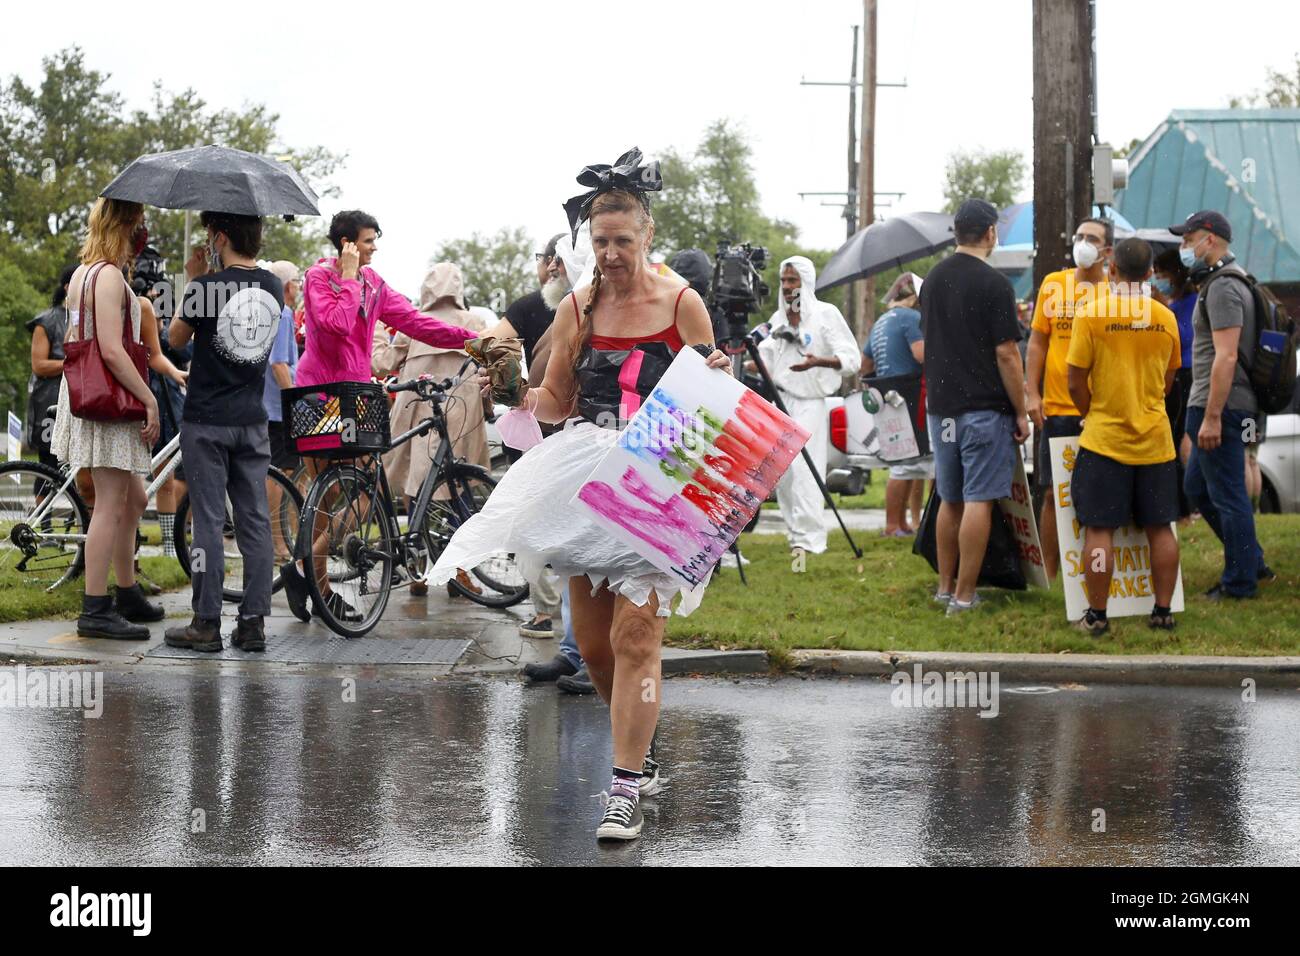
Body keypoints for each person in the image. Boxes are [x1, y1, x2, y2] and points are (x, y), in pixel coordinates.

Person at [429, 149, 731, 841]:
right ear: (586, 243)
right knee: (593, 648)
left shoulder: (683, 304)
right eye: (601, 241)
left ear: (647, 236)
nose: (613, 252)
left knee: (636, 638)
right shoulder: (576, 307)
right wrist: (509, 392)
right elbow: (555, 403)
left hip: (659, 477)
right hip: (589, 482)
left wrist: (715, 373)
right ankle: (639, 748)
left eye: (624, 240)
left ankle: (623, 787)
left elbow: (709, 405)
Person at [279, 210, 477, 622]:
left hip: (357, 394)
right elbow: (334, 324)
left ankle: (306, 574)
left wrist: (472, 338)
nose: (374, 247)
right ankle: (316, 582)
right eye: (368, 240)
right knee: (329, 498)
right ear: (347, 243)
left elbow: (416, 323)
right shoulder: (320, 278)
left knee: (359, 491)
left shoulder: (374, 284)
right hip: (320, 395)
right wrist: (348, 277)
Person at [162, 211, 284, 653]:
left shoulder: (204, 287)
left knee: (209, 521)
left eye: (211, 233)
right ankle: (253, 624)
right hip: (252, 419)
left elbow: (175, 339)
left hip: (207, 420)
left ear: (221, 236)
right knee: (254, 522)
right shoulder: (273, 285)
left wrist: (194, 280)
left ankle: (206, 622)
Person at [51, 198, 163, 639]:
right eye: (141, 221)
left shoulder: (83, 273)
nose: (144, 231)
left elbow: (74, 336)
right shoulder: (111, 277)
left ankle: (127, 591)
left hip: (89, 393)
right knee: (110, 503)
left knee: (133, 498)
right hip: (109, 398)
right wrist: (148, 400)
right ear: (128, 224)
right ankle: (96, 607)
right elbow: (113, 351)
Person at [1066, 238, 1182, 635]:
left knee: (1099, 530)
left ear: (1112, 270)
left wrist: (1091, 414)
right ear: (1150, 273)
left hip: (1104, 440)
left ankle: (1097, 615)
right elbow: (1169, 380)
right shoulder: (1165, 317)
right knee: (1160, 527)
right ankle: (1163, 611)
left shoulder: (1092, 313)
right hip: (1155, 439)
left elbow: (1075, 380)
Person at [920, 198, 1030, 615]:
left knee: (950, 499)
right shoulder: (994, 284)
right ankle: (966, 596)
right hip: (984, 409)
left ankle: (945, 587)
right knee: (979, 499)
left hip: (942, 408)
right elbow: (1007, 353)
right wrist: (1021, 410)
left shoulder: (931, 280)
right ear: (989, 233)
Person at [372, 262, 489, 598]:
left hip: (419, 413)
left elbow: (380, 364)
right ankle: (460, 571)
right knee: (460, 490)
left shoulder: (413, 326)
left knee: (416, 488)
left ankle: (418, 567)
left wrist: (379, 327)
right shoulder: (474, 323)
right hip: (461, 417)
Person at [1171, 210, 1272, 598]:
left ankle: (1240, 582)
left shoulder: (1224, 287)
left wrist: (1212, 416)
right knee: (1197, 487)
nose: (1184, 246)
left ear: (1208, 240)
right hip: (1215, 405)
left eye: (1187, 238)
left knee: (1229, 496)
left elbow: (1226, 356)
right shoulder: (1221, 282)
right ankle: (1250, 560)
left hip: (1222, 406)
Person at [1025, 217, 1113, 579]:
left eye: (1091, 238)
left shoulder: (1116, 291)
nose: (1082, 243)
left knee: (1102, 497)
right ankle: (1049, 571)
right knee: (1050, 495)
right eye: (1078, 235)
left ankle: (1099, 573)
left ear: (1107, 251)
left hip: (1102, 412)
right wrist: (1032, 392)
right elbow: (1037, 343)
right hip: (1057, 409)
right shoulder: (1053, 285)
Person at [493, 235, 571, 639]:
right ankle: (544, 609)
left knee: (577, 525)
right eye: (548, 259)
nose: (553, 267)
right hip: (535, 427)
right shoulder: (530, 306)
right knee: (530, 520)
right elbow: (493, 342)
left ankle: (573, 629)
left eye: (560, 259)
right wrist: (504, 376)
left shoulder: (604, 308)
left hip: (584, 432)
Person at [756, 256, 861, 556]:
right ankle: (795, 535)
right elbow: (767, 358)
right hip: (781, 399)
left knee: (805, 468)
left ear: (806, 282)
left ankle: (811, 540)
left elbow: (851, 359)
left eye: (794, 281)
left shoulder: (826, 315)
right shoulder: (777, 320)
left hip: (811, 401)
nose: (788, 287)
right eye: (784, 281)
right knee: (784, 472)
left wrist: (820, 361)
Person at [862, 272, 929, 536]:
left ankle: (901, 523)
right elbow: (920, 354)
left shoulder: (880, 322)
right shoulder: (911, 318)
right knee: (904, 464)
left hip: (885, 396)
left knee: (902, 459)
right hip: (908, 394)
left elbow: (865, 365)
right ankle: (892, 525)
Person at [1152, 248, 1197, 519]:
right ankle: (1181, 504)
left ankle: (1188, 505)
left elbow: (1182, 338)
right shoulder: (1174, 303)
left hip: (1186, 373)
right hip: (1173, 372)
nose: (1158, 280)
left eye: (1162, 275)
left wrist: (1162, 307)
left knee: (1181, 436)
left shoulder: (1190, 302)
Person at [265, 261, 301, 563]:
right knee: (280, 475)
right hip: (277, 407)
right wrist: (293, 401)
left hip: (266, 404)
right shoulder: (283, 312)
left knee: (278, 473)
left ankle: (279, 540)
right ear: (288, 285)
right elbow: (279, 363)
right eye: (298, 281)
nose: (300, 286)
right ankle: (277, 542)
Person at [27, 265, 76, 470]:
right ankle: (43, 504)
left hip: (77, 399)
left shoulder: (87, 315)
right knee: (48, 466)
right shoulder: (46, 321)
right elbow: (39, 365)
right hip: (49, 399)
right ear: (68, 287)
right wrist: (72, 364)